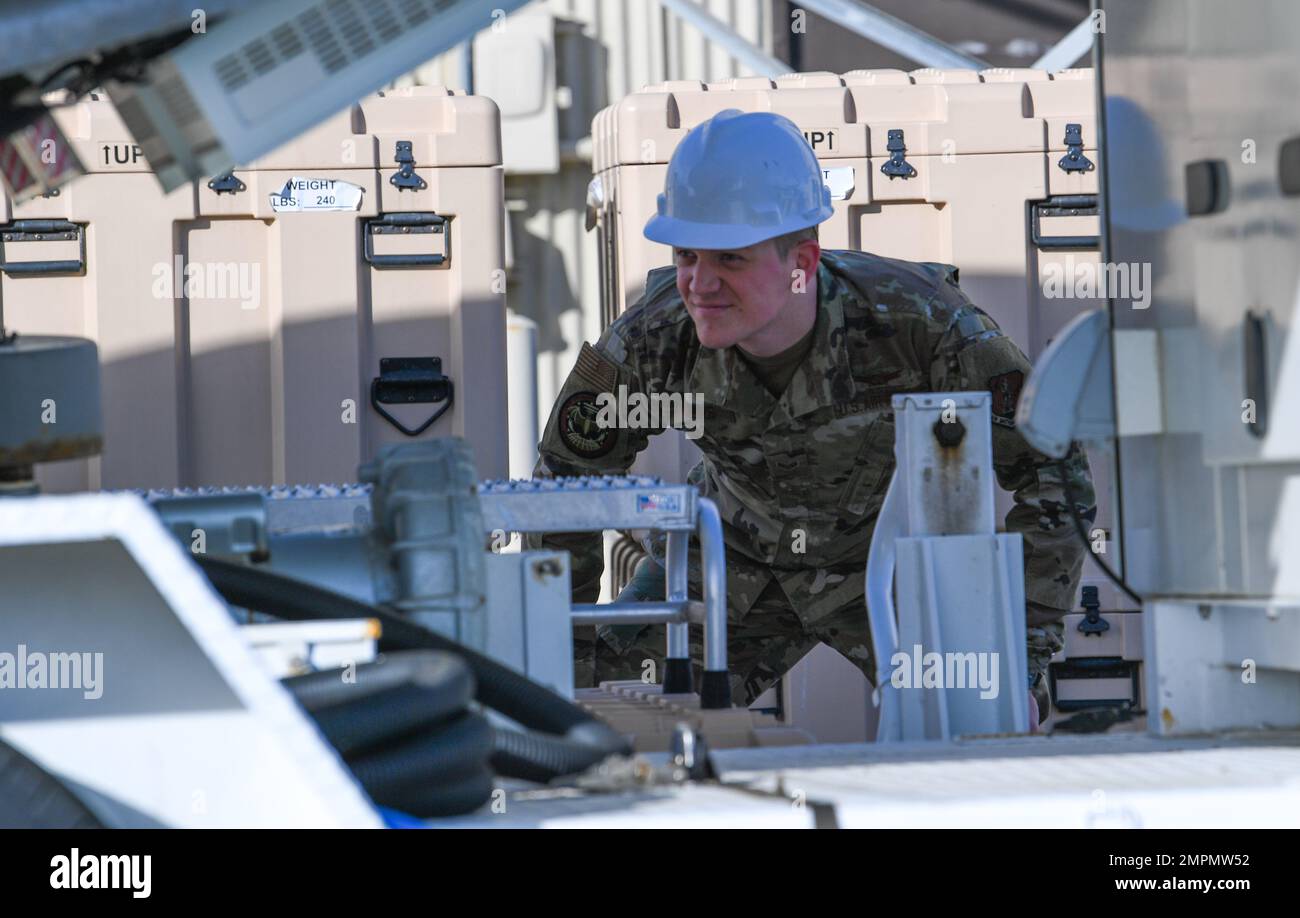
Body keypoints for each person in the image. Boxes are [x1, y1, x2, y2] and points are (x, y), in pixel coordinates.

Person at [527, 109, 1095, 726]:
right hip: (732, 557)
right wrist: (565, 660)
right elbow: (563, 490)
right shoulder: (653, 335)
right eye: (686, 254)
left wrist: (1023, 655)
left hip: (884, 561)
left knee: (981, 713)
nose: (700, 283)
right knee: (605, 721)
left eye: (730, 260)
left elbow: (1055, 475)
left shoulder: (919, 323)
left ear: (802, 259)